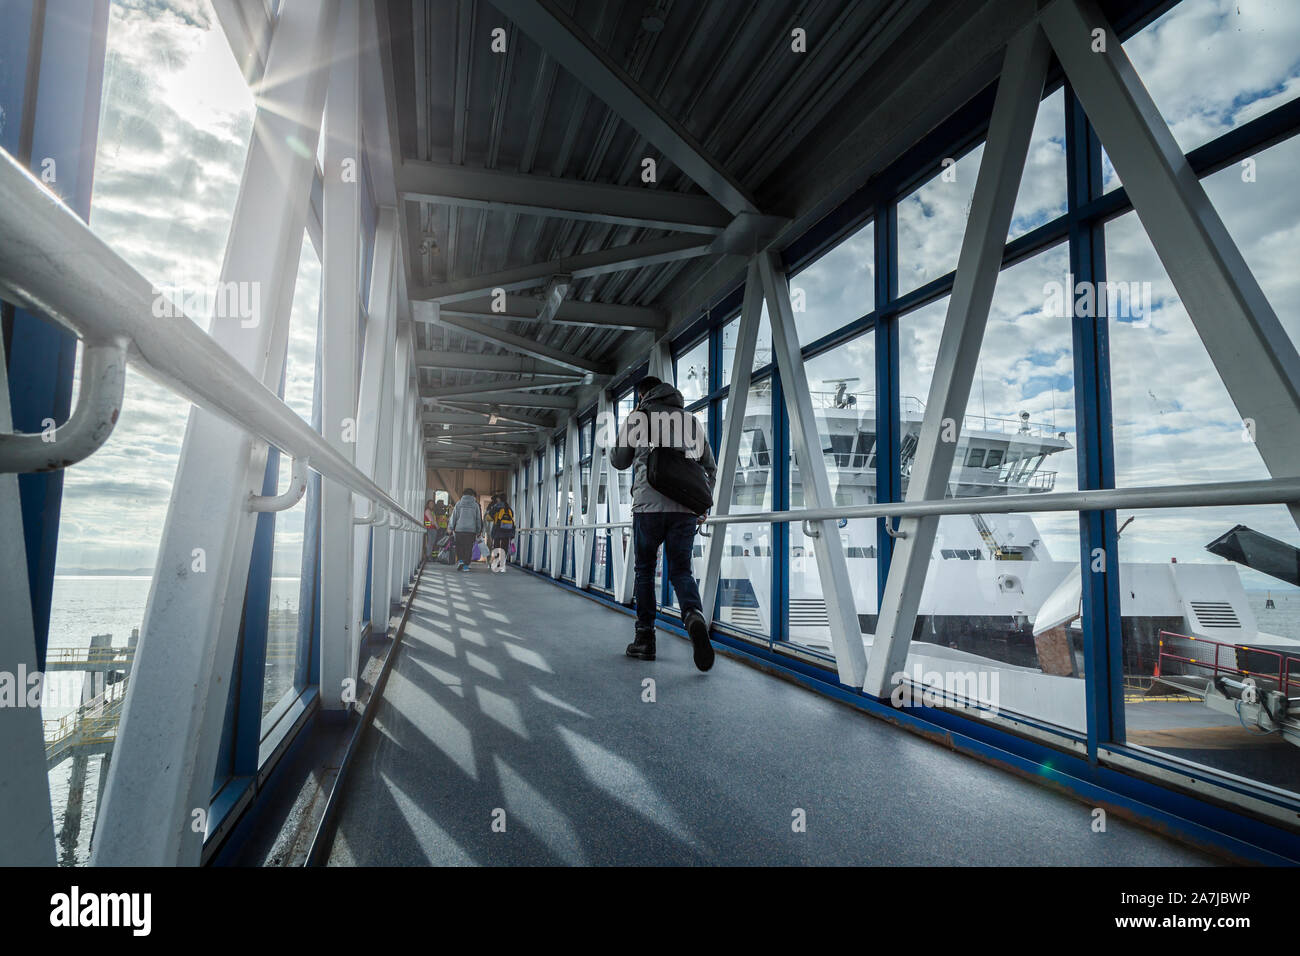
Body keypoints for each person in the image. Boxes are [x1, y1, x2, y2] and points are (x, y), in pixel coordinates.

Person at [610, 374, 717, 670]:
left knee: (644, 571)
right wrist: (703, 505)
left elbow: (619, 461)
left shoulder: (639, 417)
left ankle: (645, 639)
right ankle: (693, 616)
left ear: (642, 396)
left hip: (648, 506)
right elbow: (709, 468)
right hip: (685, 509)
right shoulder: (691, 421)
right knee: (681, 570)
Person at [449, 487, 482, 571]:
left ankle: (460, 561)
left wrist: (451, 527)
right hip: (471, 530)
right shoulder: (475, 505)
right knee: (468, 548)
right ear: (472, 495)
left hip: (459, 529)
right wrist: (479, 530)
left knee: (459, 546)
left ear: (463, 494)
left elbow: (454, 516)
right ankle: (466, 566)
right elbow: (478, 519)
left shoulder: (459, 503)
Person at [487, 495, 516, 573]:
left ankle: (495, 563)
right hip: (508, 530)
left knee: (496, 546)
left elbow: (489, 516)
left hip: (498, 529)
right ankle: (502, 563)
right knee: (504, 547)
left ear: (499, 499)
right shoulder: (509, 508)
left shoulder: (496, 507)